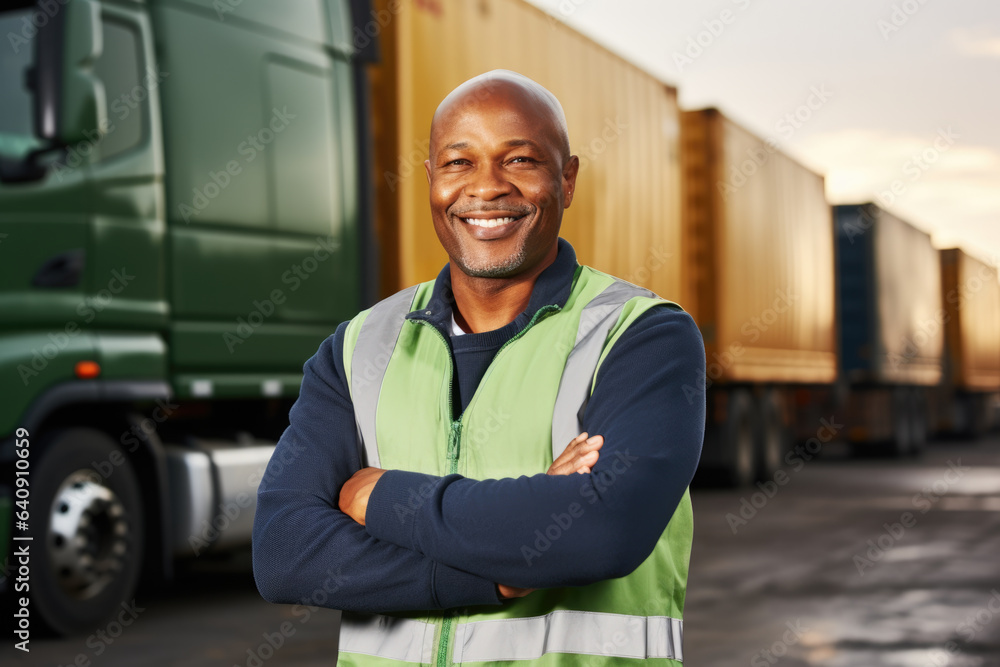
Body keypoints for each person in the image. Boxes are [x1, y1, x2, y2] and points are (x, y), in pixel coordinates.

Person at [252, 69, 705, 665]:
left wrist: (380, 495)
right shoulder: (361, 346)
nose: (486, 189)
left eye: (519, 160)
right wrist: (501, 567)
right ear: (432, 180)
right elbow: (285, 552)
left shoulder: (639, 336)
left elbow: (600, 532)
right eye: (458, 163)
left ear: (567, 180)